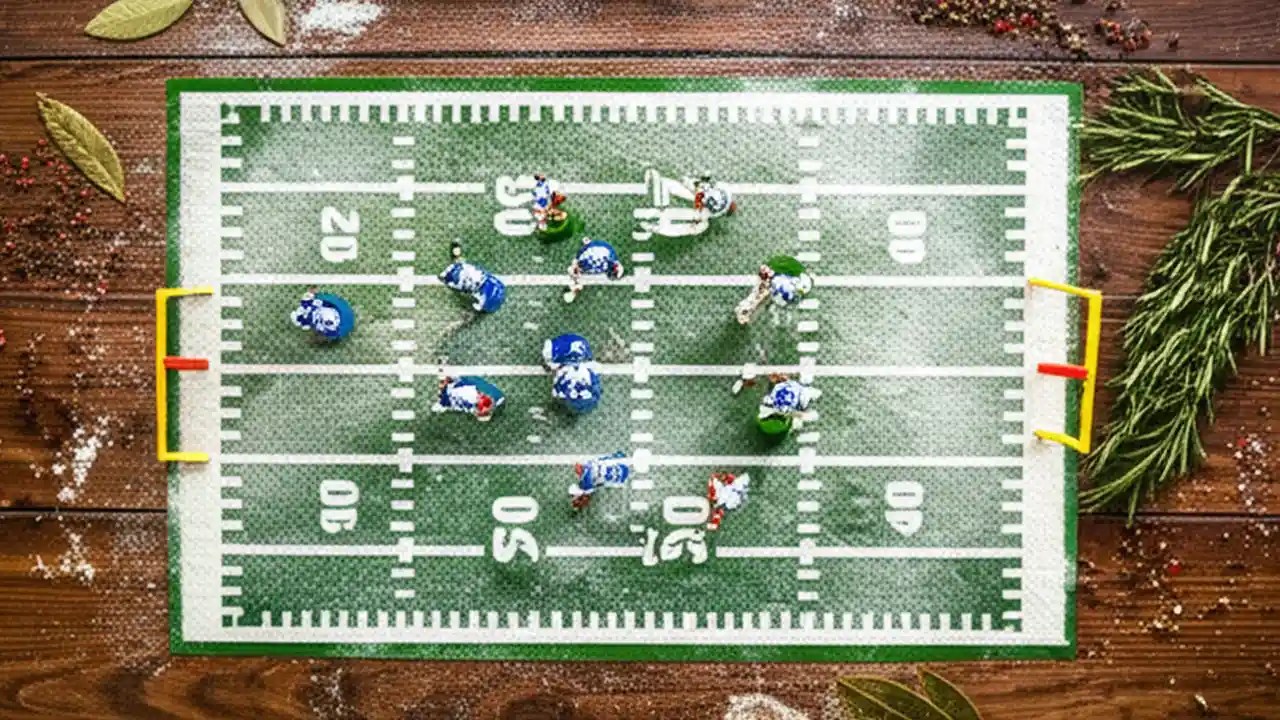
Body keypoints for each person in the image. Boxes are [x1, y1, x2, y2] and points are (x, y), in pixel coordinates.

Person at [439, 242, 506, 313]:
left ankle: (456, 257)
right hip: (466, 280)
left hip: (468, 278)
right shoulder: (483, 298)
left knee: (460, 269)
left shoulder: (490, 286)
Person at [564, 236, 624, 303]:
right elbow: (575, 266)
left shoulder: (609, 258)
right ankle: (588, 242)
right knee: (573, 271)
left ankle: (588, 242)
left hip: (597, 253)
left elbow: (618, 266)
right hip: (593, 255)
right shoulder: (584, 260)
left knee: (574, 272)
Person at [291, 287, 355, 340]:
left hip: (330, 317)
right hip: (330, 313)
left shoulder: (327, 322)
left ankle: (302, 319)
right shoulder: (325, 315)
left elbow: (331, 332)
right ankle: (302, 317)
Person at [431, 375, 505, 422]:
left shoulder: (467, 398)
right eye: (486, 412)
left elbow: (448, 385)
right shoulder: (498, 397)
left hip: (459, 388)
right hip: (465, 382)